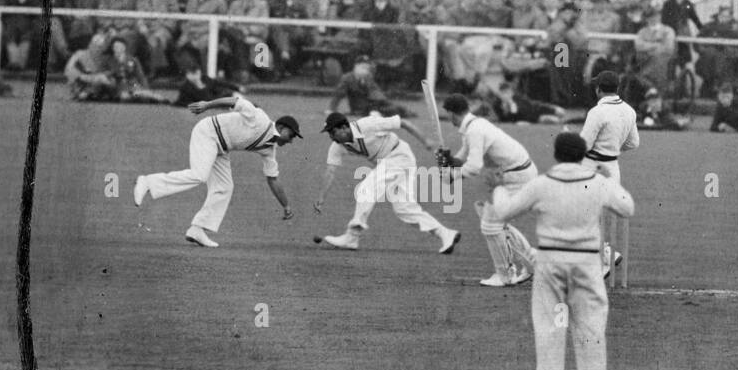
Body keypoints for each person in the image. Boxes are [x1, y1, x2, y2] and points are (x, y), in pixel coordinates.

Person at [485, 131, 634, 370]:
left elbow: (504, 213)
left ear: (556, 154)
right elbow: (627, 208)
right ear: (582, 155)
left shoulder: (542, 184)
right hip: (587, 263)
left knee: (549, 327)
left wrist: (498, 187)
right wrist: (610, 179)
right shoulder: (597, 183)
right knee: (591, 328)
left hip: (550, 262)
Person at [131, 95, 301, 248]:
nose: (291, 141)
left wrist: (286, 206)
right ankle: (148, 182)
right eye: (291, 135)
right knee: (199, 175)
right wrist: (207, 105)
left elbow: (273, 179)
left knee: (225, 187)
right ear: (281, 127)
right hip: (208, 132)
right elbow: (236, 101)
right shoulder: (260, 119)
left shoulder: (270, 150)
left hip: (222, 147)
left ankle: (197, 229)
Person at [313, 110, 460, 255]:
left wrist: (425, 140)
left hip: (399, 155)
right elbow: (330, 171)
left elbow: (402, 122)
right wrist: (320, 198)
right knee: (404, 209)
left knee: (366, 188)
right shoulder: (337, 146)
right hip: (390, 163)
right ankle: (446, 233)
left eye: (332, 132)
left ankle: (352, 236)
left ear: (344, 128)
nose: (331, 137)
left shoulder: (367, 125)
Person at [437, 94, 537, 286]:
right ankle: (531, 263)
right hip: (516, 174)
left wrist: (452, 175)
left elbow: (473, 166)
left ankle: (505, 275)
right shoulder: (474, 125)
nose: (448, 119)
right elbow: (462, 158)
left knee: (491, 224)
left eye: (448, 114)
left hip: (516, 177)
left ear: (452, 114)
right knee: (495, 223)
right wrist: (448, 161)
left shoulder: (475, 130)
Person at [579, 70, 639, 280]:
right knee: (599, 215)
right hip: (612, 167)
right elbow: (634, 143)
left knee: (584, 215)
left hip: (592, 166)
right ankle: (604, 257)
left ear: (598, 89)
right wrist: (613, 150)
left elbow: (584, 144)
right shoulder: (630, 111)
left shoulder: (597, 112)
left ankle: (606, 255)